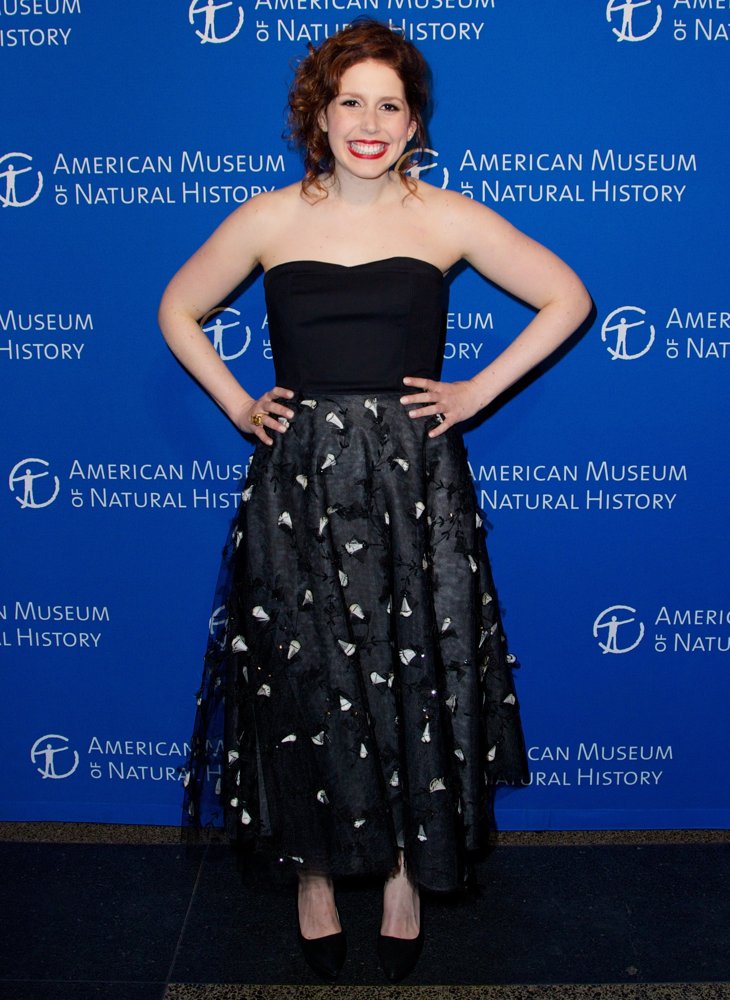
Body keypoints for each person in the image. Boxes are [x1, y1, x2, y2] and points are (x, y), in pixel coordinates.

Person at [158, 19, 591, 983]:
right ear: (318, 114)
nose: (369, 121)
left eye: (389, 105)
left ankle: (403, 872)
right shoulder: (269, 218)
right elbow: (176, 307)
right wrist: (237, 403)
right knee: (301, 677)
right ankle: (314, 877)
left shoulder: (447, 217)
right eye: (349, 100)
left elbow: (568, 295)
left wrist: (475, 393)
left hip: (411, 482)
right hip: (299, 480)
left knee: (412, 671)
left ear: (412, 123)